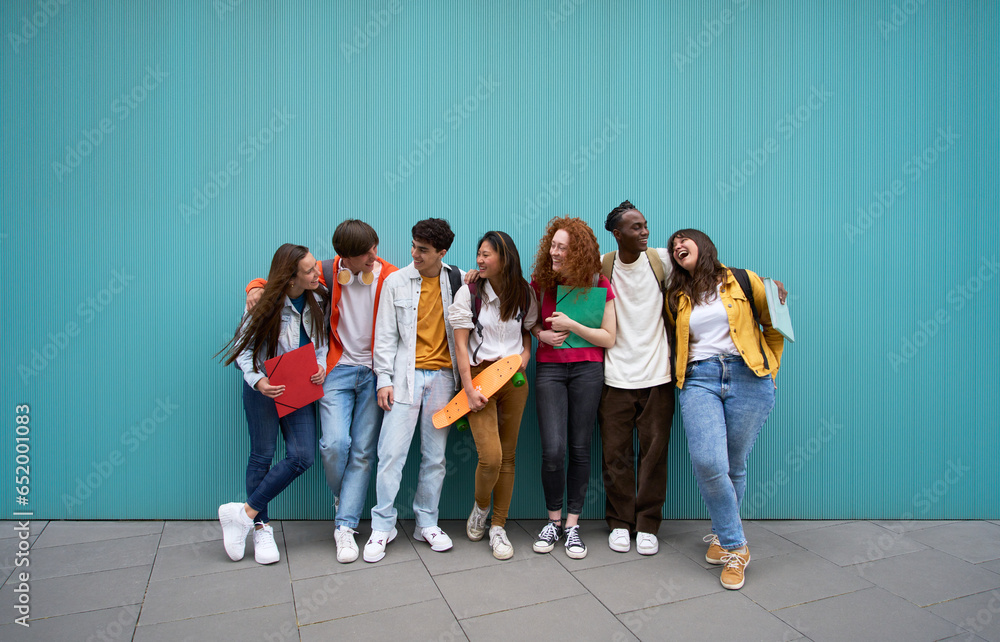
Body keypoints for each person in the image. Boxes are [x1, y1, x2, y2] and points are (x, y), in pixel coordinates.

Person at [246, 220, 397, 564]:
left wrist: (466, 277)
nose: (374, 256)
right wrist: (254, 286)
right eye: (365, 253)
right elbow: (279, 280)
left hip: (374, 373)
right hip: (334, 369)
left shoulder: (389, 274)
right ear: (345, 257)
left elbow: (428, 279)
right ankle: (344, 500)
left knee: (362, 452)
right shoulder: (324, 273)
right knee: (333, 445)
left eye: (375, 247)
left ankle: (345, 525)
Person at [666, 228, 784, 590]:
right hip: (699, 378)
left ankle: (721, 536)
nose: (676, 247)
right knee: (708, 461)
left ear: (703, 244)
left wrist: (770, 369)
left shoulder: (745, 281)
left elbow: (774, 326)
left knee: (733, 464)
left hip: (749, 376)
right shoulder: (677, 296)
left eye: (682, 240)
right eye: (672, 247)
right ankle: (736, 546)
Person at [218, 244, 328, 565]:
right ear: (290, 277)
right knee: (262, 454)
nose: (316, 273)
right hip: (264, 387)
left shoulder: (318, 296)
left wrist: (320, 366)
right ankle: (261, 526)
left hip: (299, 387)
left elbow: (320, 342)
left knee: (302, 456)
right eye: (308, 270)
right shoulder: (264, 303)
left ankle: (242, 513)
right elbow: (242, 349)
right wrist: (259, 381)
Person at [364, 219, 463, 563]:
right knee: (391, 453)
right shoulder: (396, 282)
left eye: (423, 249)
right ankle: (382, 525)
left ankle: (427, 522)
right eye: (414, 246)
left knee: (435, 457)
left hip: (443, 379)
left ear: (442, 252)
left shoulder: (458, 280)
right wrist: (384, 379)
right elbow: (386, 335)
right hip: (405, 378)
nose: (414, 253)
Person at [527, 217, 616, 559]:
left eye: (562, 247)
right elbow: (531, 321)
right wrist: (541, 334)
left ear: (578, 252)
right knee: (553, 450)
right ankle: (552, 521)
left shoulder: (598, 283)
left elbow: (608, 337)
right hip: (550, 370)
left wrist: (572, 324)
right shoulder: (542, 282)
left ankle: (573, 525)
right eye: (553, 245)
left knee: (580, 448)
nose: (555, 252)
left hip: (588, 370)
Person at [449, 231, 538, 560]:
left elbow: (527, 333)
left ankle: (498, 527)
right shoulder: (469, 292)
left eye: (487, 254)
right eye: (479, 254)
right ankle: (481, 509)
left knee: (510, 457)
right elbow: (460, 344)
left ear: (505, 257)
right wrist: (468, 389)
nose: (480, 260)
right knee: (491, 457)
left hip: (513, 381)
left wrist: (525, 358)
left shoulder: (524, 293)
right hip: (480, 380)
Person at [598, 200, 676, 556]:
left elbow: (710, 269)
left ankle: (646, 524)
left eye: (645, 225)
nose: (644, 232)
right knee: (615, 455)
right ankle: (619, 522)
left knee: (654, 455)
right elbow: (559, 279)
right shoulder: (604, 267)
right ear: (617, 234)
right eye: (635, 227)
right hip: (615, 378)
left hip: (658, 375)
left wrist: (765, 285)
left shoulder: (662, 261)